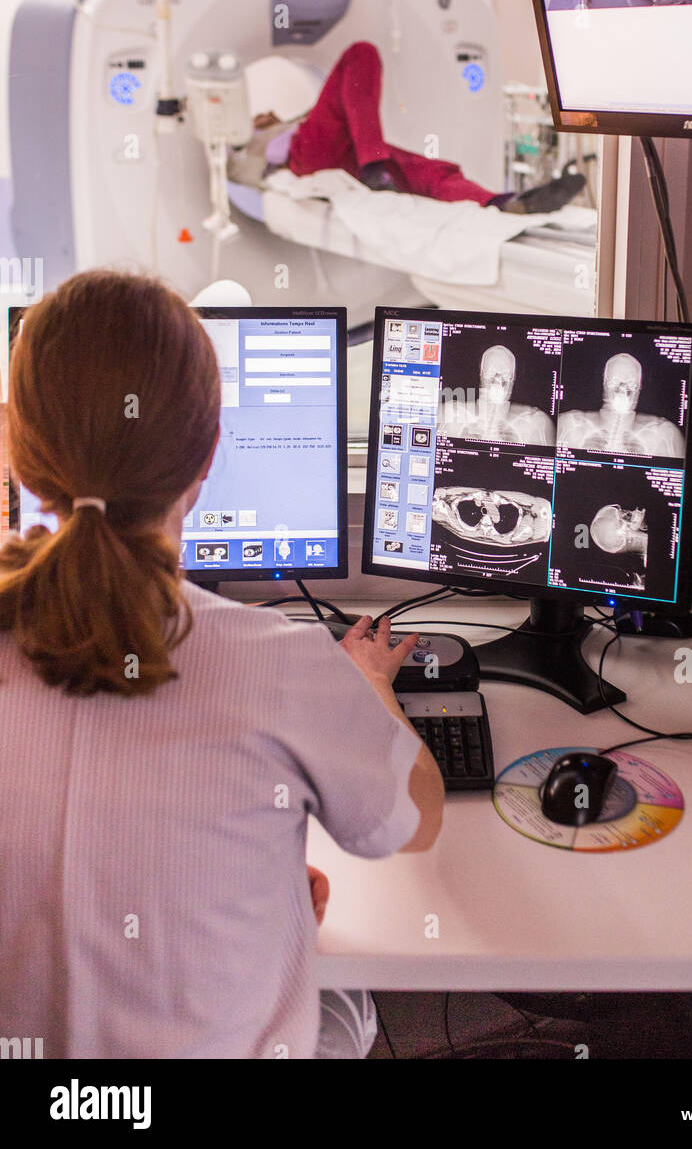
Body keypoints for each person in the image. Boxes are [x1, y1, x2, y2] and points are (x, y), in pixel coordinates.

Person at [0, 270, 444, 1059]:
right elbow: (414, 820)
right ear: (208, 453)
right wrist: (369, 683)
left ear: (17, 449)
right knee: (345, 991)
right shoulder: (277, 667)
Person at [240, 40, 586, 215]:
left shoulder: (291, 120)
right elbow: (237, 166)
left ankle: (502, 204)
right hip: (308, 157)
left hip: (348, 156)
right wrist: (253, 133)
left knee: (428, 170)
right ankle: (374, 168)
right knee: (360, 52)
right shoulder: (238, 139)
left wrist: (281, 120)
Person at [556, 352, 685, 457]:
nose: (623, 389)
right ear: (605, 384)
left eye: (631, 384)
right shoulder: (572, 425)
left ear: (639, 389)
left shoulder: (662, 435)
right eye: (616, 382)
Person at [437, 344, 556, 444]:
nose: (497, 382)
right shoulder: (452, 414)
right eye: (491, 376)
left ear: (512, 381)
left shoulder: (533, 423)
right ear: (482, 376)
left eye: (504, 378)